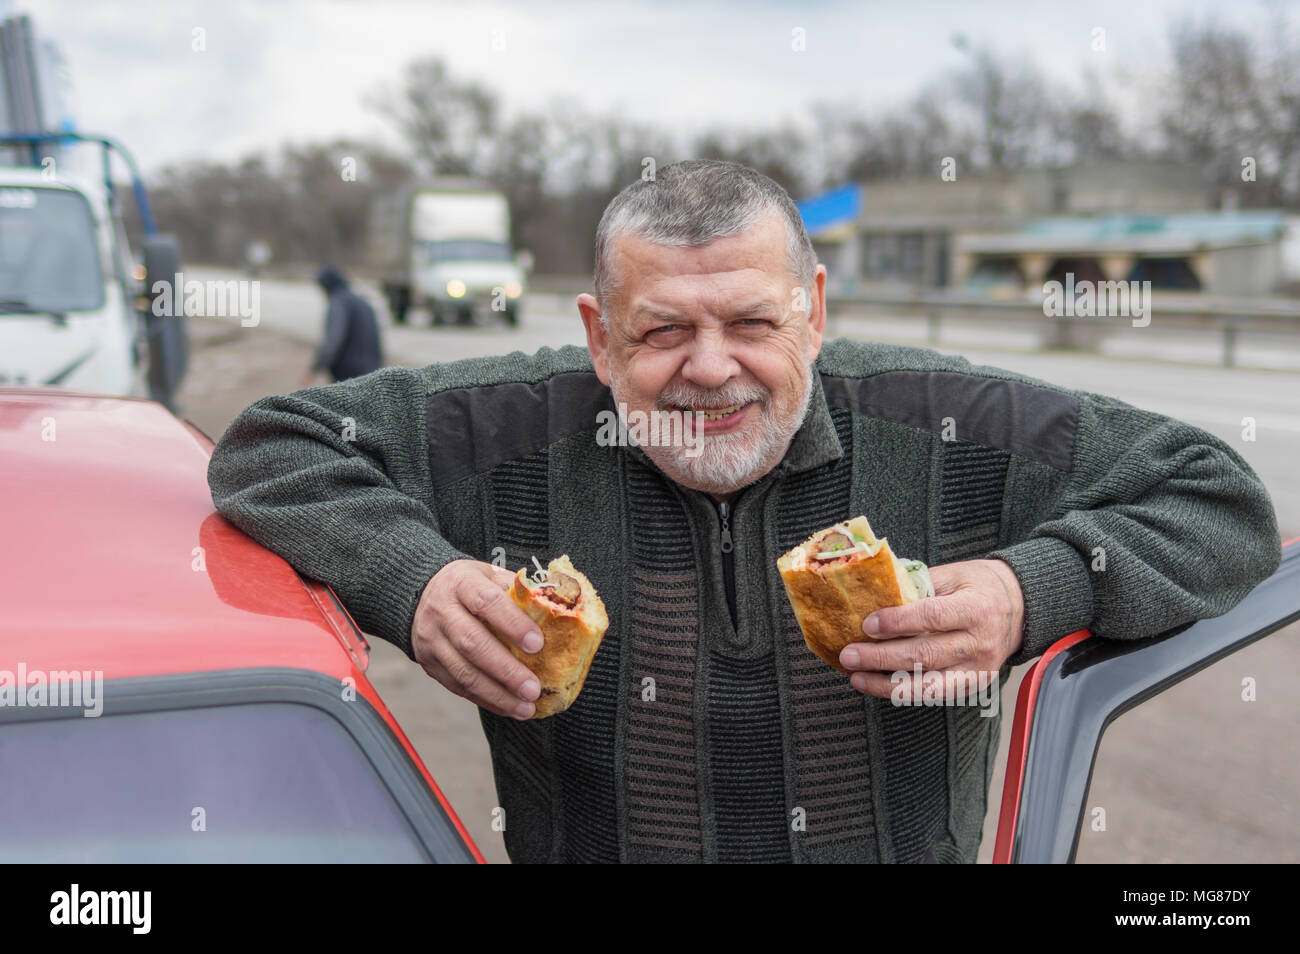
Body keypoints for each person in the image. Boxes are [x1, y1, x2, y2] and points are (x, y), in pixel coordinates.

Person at [210, 160, 1281, 863]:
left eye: (752, 323)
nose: (709, 371)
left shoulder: (949, 421)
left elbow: (1214, 493)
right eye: (662, 330)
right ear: (597, 331)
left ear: (813, 312)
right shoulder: (511, 425)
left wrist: (1024, 590)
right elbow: (271, 446)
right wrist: (418, 582)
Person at [302, 265, 382, 385]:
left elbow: (333, 340)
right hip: (371, 371)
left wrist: (315, 368)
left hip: (348, 374)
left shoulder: (338, 303)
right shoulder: (364, 303)